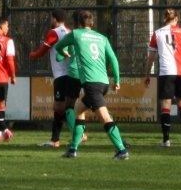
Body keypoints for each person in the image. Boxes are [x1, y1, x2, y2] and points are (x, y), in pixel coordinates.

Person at [55, 10, 130, 160]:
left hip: (91, 84)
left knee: (105, 118)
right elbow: (113, 59)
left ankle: (121, 150)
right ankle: (72, 149)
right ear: (92, 23)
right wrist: (117, 80)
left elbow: (58, 47)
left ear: (79, 23)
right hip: (103, 83)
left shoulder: (76, 34)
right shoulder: (102, 38)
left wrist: (65, 52)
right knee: (78, 110)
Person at [145, 9, 181, 148]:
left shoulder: (157, 33)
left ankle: (166, 140)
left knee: (165, 106)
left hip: (166, 73)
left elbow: (151, 57)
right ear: (176, 19)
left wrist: (146, 74)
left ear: (165, 19)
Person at [30, 9, 76, 148]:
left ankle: (64, 137)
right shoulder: (69, 31)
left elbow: (42, 51)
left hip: (61, 75)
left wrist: (31, 55)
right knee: (68, 107)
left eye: (51, 18)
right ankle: (57, 139)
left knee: (59, 107)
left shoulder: (54, 32)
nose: (50, 21)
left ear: (55, 19)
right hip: (72, 74)